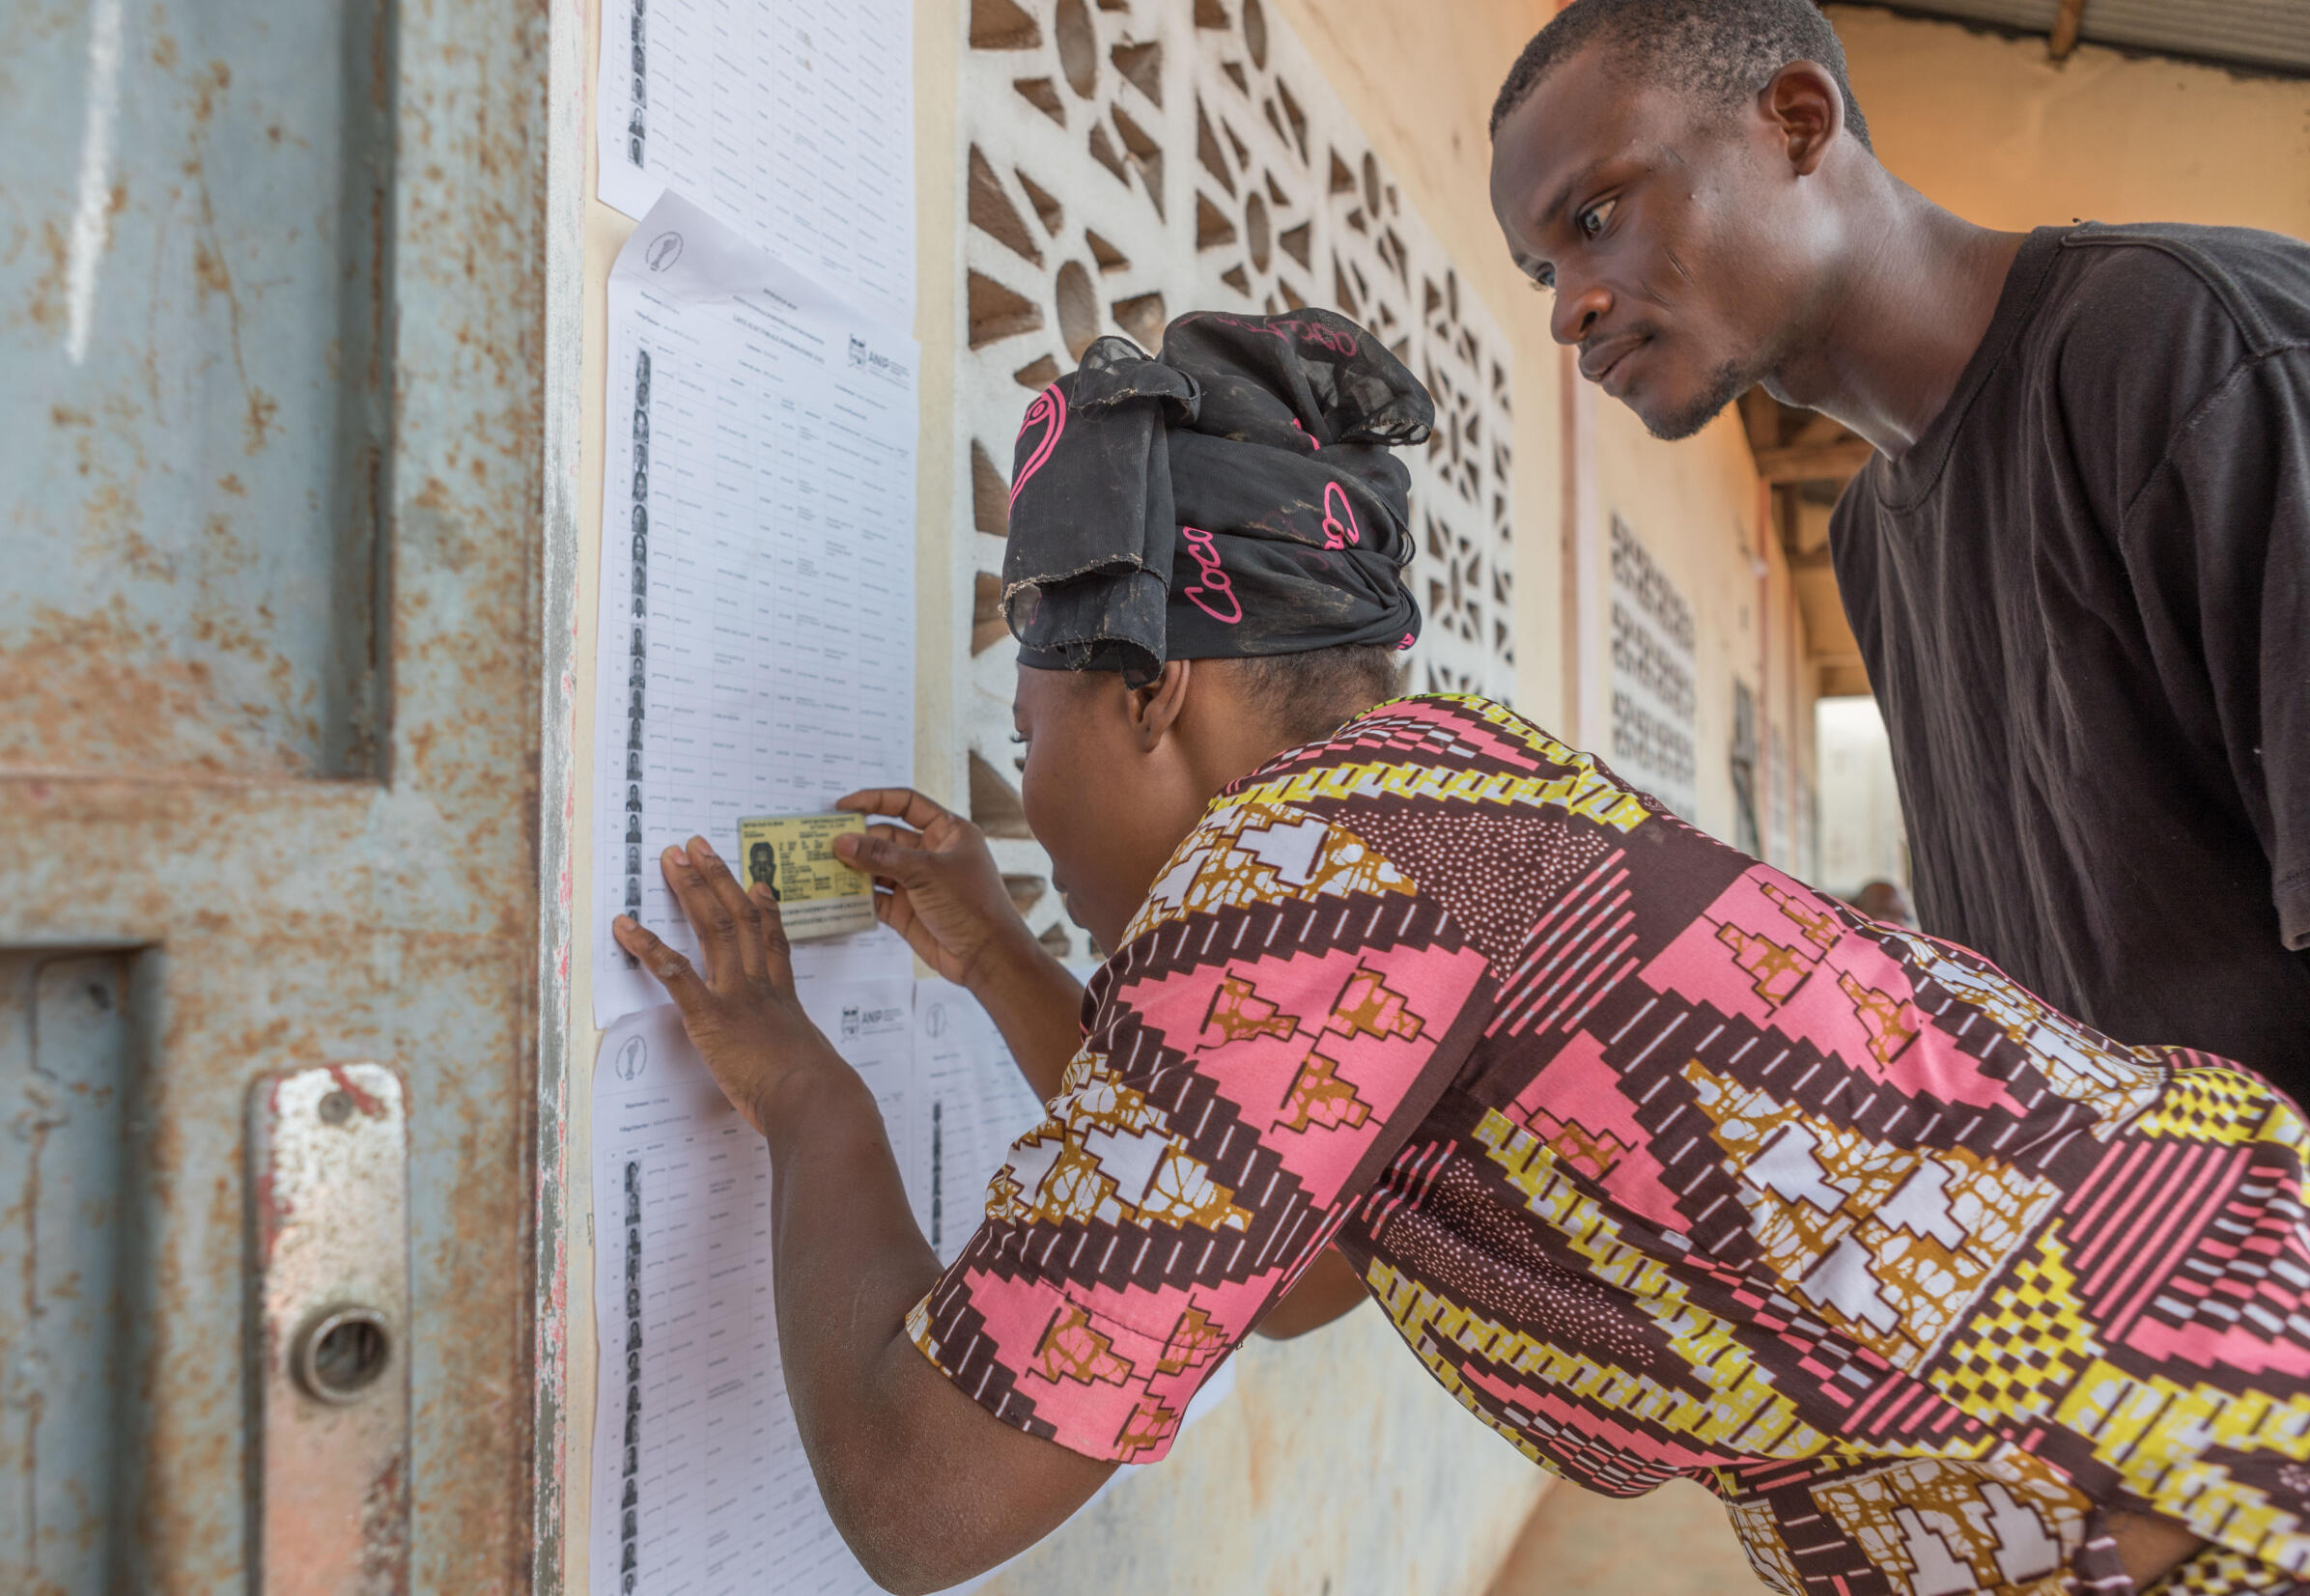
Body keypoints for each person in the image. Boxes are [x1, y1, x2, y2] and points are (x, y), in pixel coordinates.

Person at [609, 309, 2310, 1595]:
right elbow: (1300, 1272)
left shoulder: (1295, 881)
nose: (1028, 787)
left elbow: (923, 1498)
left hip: (2207, 1480)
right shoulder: (1461, 789)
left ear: (1154, 691)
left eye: (1029, 721)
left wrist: (805, 1091)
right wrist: (992, 954)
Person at [1485, 0, 2309, 1083]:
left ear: (1794, 121)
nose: (1566, 312)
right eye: (1541, 273)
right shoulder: (1868, 543)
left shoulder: (2186, 348)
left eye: (1594, 217)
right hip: (2116, 1242)